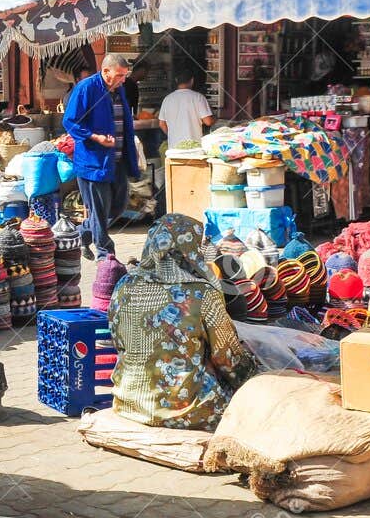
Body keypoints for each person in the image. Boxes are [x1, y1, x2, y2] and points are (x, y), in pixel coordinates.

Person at [107, 214, 259, 430]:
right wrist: (255, 375)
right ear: (190, 250)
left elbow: (118, 341)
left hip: (129, 402)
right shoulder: (202, 294)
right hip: (188, 411)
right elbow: (227, 359)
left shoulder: (124, 285)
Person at [64, 52, 139, 259]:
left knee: (118, 205)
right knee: (99, 209)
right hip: (94, 162)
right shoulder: (86, 88)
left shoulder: (118, 90)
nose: (123, 80)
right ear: (105, 71)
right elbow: (70, 122)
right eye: (119, 75)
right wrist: (94, 137)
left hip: (118, 160)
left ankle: (81, 234)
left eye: (125, 75)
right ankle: (106, 254)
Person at [158, 72, 213, 147]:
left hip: (174, 148)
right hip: (194, 147)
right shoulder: (198, 97)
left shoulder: (167, 99)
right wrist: (216, 119)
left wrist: (172, 135)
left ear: (176, 80)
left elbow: (162, 124)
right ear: (192, 80)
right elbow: (208, 122)